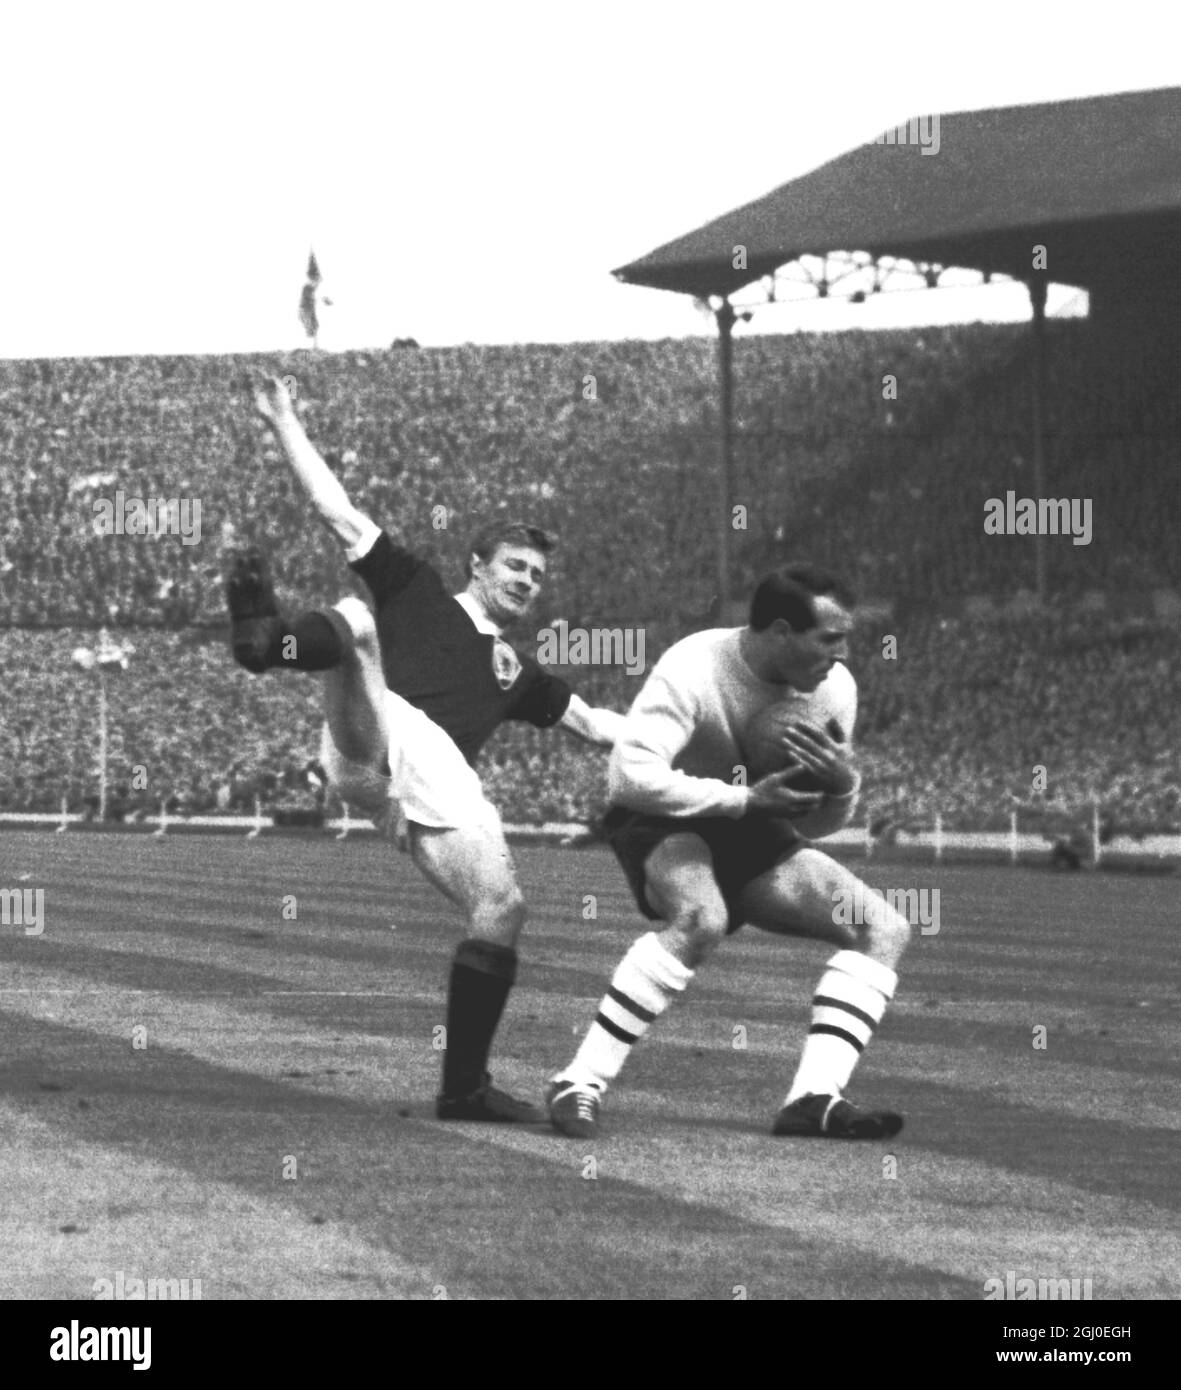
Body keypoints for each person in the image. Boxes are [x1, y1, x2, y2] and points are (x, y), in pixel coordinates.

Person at [228, 375, 624, 1123]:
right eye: (515, 566)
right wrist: (282, 418)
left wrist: (692, 733)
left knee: (501, 908)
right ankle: (264, 639)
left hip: (397, 785)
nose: (527, 582)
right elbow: (335, 510)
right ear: (478, 565)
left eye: (536, 576)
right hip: (380, 735)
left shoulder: (518, 671)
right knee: (357, 619)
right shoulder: (416, 589)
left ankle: (462, 1088)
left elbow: (598, 727)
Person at [546, 565, 910, 1140]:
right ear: (782, 632)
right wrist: (742, 798)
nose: (840, 655)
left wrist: (842, 785)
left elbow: (814, 823)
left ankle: (812, 1098)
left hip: (752, 815)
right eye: (829, 639)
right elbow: (629, 778)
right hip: (663, 813)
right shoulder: (693, 666)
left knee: (882, 928)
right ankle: (578, 1080)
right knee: (701, 917)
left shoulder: (835, 691)